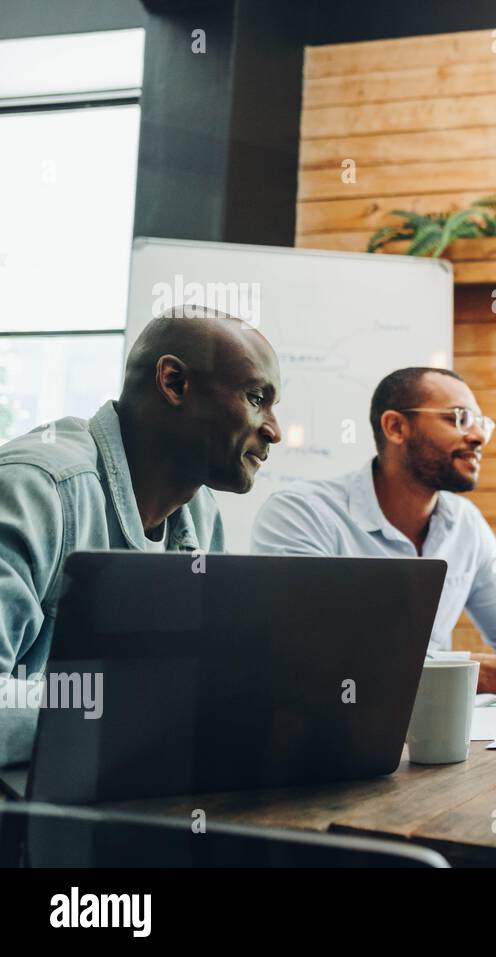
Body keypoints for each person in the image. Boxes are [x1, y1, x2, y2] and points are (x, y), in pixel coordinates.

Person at [0, 307, 282, 765]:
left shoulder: (201, 514)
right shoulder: (36, 489)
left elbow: (198, 681)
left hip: (121, 785)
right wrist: (131, 713)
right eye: (255, 398)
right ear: (174, 383)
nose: (274, 430)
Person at [250, 367, 496, 699]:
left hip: (436, 731)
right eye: (458, 418)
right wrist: (485, 674)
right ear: (395, 427)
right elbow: (321, 654)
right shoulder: (302, 514)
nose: (477, 436)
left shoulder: (464, 522)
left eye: (480, 423)